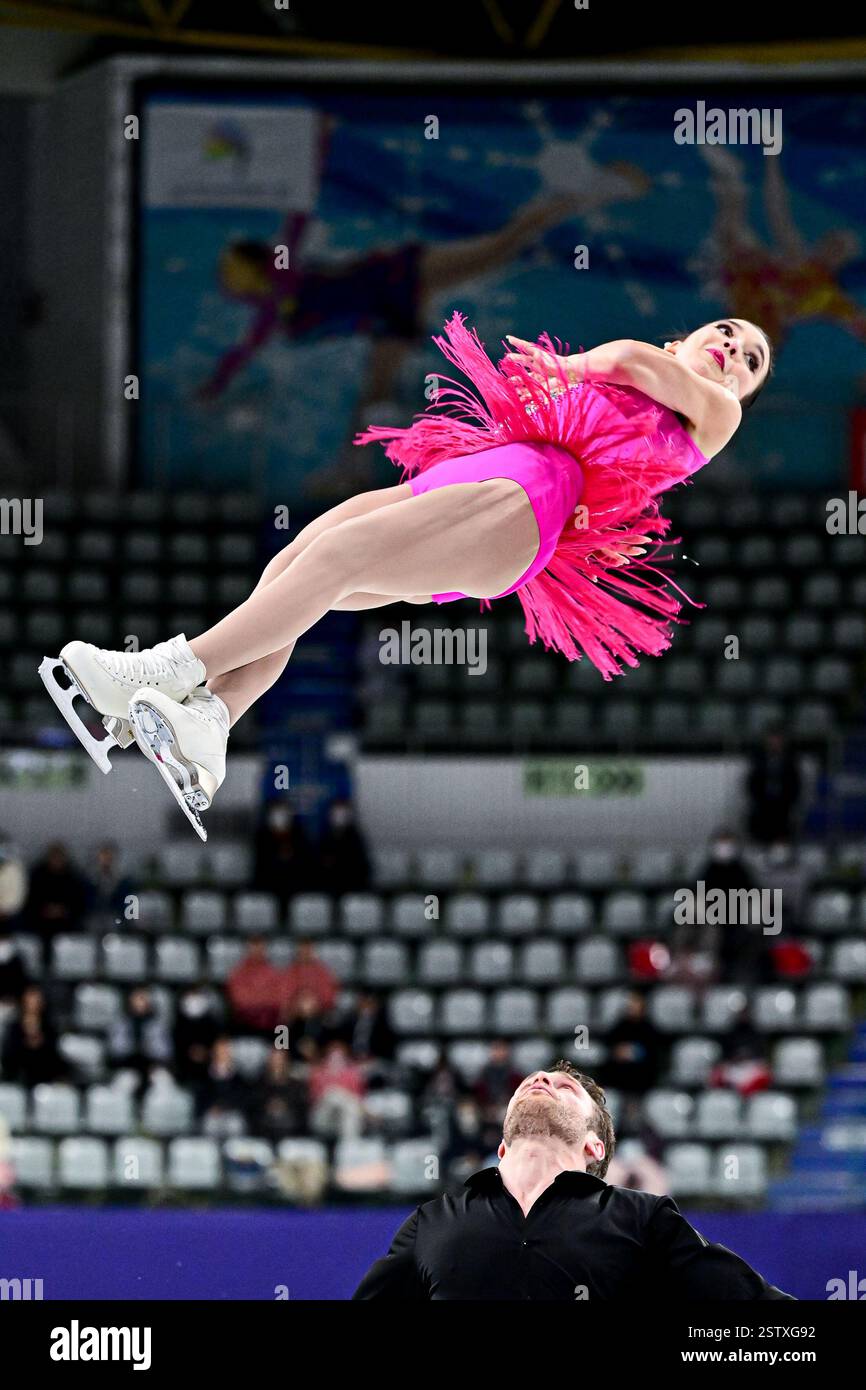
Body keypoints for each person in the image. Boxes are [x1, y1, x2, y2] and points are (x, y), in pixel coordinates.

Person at [41, 314, 771, 838]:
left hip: (534, 497)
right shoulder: (656, 385)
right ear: (691, 336)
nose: (735, 352)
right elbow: (637, 378)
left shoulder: (716, 411)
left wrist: (570, 368)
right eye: (728, 335)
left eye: (751, 359)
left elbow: (639, 363)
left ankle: (165, 668)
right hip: (499, 473)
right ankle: (211, 722)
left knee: (332, 563)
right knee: (299, 561)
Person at [352, 1061, 795, 1300]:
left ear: (594, 1146)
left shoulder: (643, 1219)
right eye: (532, 1081)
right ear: (502, 1145)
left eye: (566, 1088)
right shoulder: (432, 1222)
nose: (542, 1078)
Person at [108, 986, 172, 1094]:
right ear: (130, 1002)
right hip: (128, 1067)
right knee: (121, 1087)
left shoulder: (158, 1025)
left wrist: (148, 1049)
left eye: (143, 999)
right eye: (137, 998)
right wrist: (132, 1049)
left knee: (164, 1084)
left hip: (152, 1068)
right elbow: (115, 1050)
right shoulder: (121, 1024)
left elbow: (165, 1052)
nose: (140, 1003)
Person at [746, 727, 802, 845]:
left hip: (783, 803)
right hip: (763, 802)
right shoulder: (758, 759)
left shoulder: (790, 759)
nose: (774, 742)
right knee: (760, 826)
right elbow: (752, 781)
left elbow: (795, 782)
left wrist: (790, 799)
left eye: (777, 739)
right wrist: (757, 798)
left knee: (783, 831)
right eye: (772, 739)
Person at [24, 842, 89, 943]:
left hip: (66, 920)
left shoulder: (73, 877)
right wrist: (46, 910)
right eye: (54, 857)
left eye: (59, 858)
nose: (56, 861)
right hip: (40, 920)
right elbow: (30, 900)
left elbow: (79, 901)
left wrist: (62, 910)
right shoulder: (37, 876)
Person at [1, 986, 63, 1086]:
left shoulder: (49, 1028)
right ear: (23, 1001)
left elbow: (55, 1056)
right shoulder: (15, 1027)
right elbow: (9, 1055)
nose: (34, 1003)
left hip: (45, 1077)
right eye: (30, 999)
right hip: (18, 1077)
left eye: (37, 999)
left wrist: (40, 1043)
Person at [225, 935, 282, 1036]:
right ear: (248, 948)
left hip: (269, 1020)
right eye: (254, 946)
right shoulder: (238, 972)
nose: (257, 950)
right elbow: (239, 999)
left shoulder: (274, 972)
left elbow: (277, 998)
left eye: (260, 946)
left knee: (283, 1028)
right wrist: (262, 996)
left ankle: (282, 1050)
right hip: (245, 1020)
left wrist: (255, 996)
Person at [316, 798, 371, 893]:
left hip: (351, 884)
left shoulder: (356, 837)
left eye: (342, 812)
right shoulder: (324, 837)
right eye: (336, 811)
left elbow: (361, 864)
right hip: (329, 885)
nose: (339, 815)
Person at [279, 939, 338, 1019]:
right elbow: (284, 993)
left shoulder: (322, 971)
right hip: (295, 1013)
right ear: (298, 952)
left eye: (308, 950)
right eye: (302, 951)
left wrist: (317, 1003)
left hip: (318, 1012)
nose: (305, 953)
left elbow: (329, 993)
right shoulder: (290, 971)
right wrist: (295, 1004)